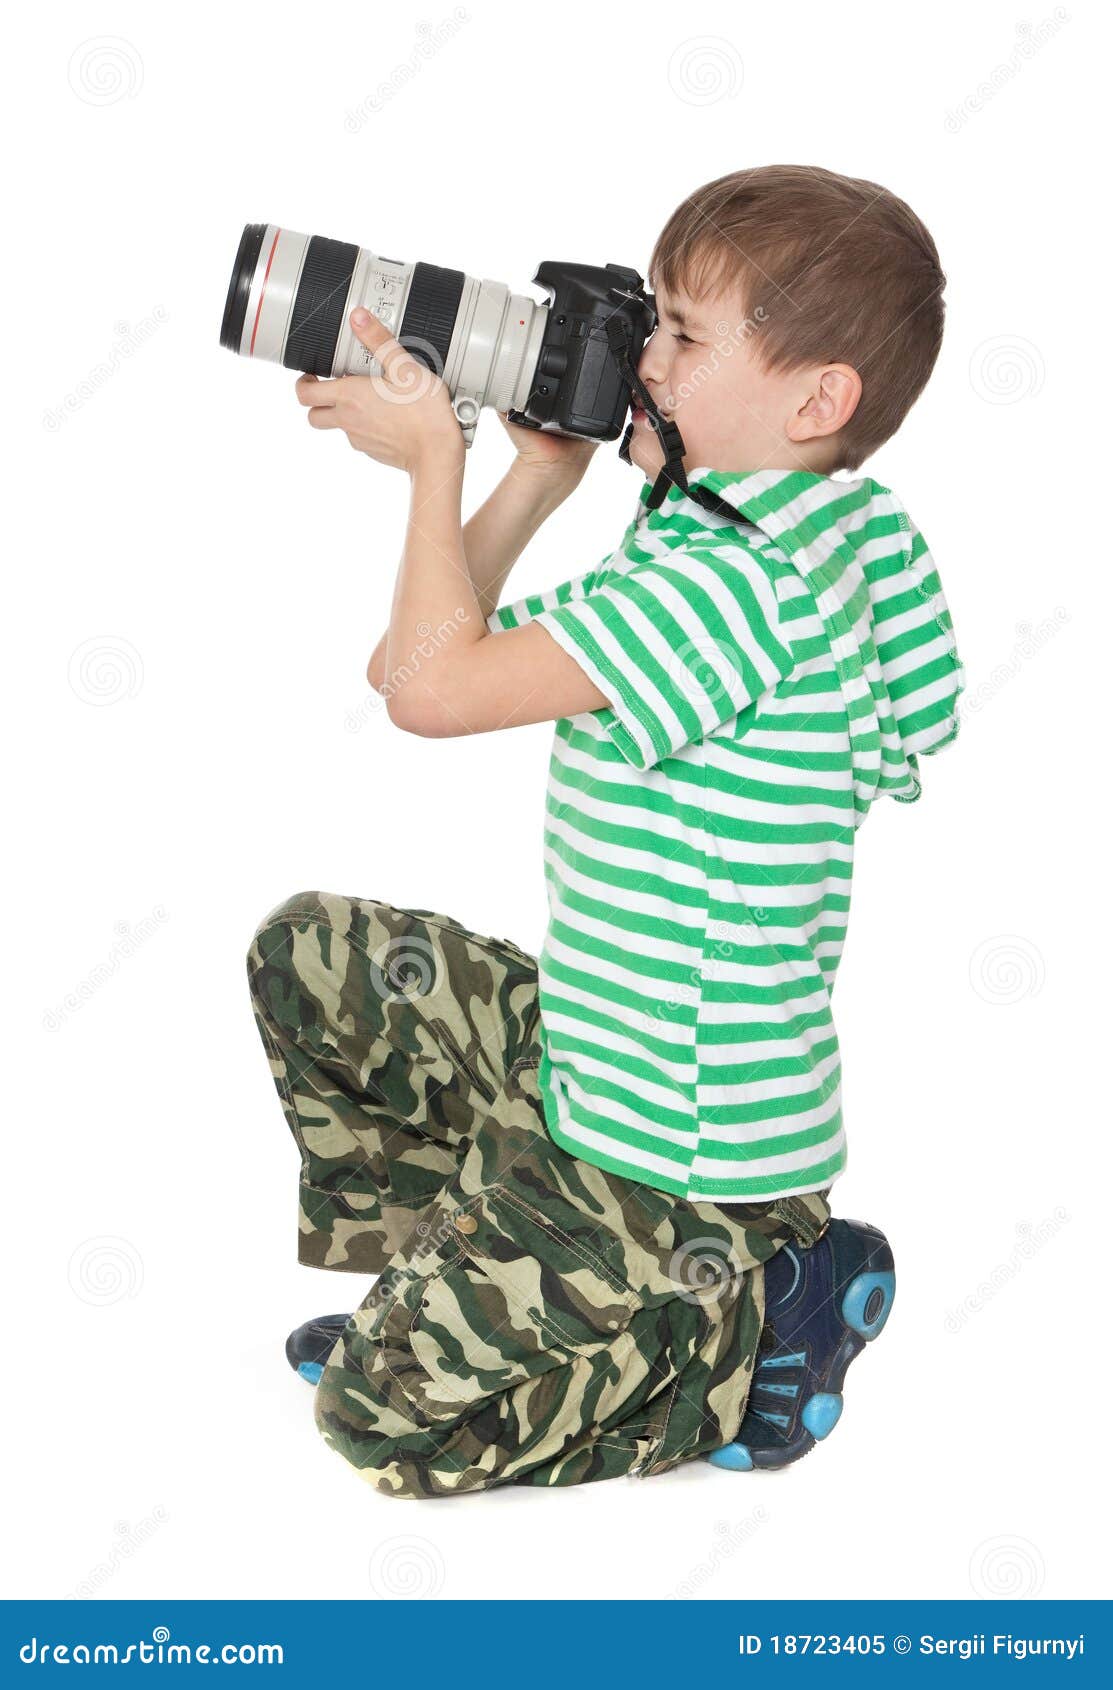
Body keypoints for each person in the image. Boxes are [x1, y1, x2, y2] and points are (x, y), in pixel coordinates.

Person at [246, 164, 963, 1497]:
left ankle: (746, 1334)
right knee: (315, 959)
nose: (646, 359)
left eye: (684, 336)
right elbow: (418, 657)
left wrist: (435, 461)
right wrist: (536, 475)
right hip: (599, 1061)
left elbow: (429, 695)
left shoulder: (733, 590)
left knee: (377, 1427)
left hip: (673, 1167)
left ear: (816, 402)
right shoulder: (720, 543)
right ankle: (453, 1291)